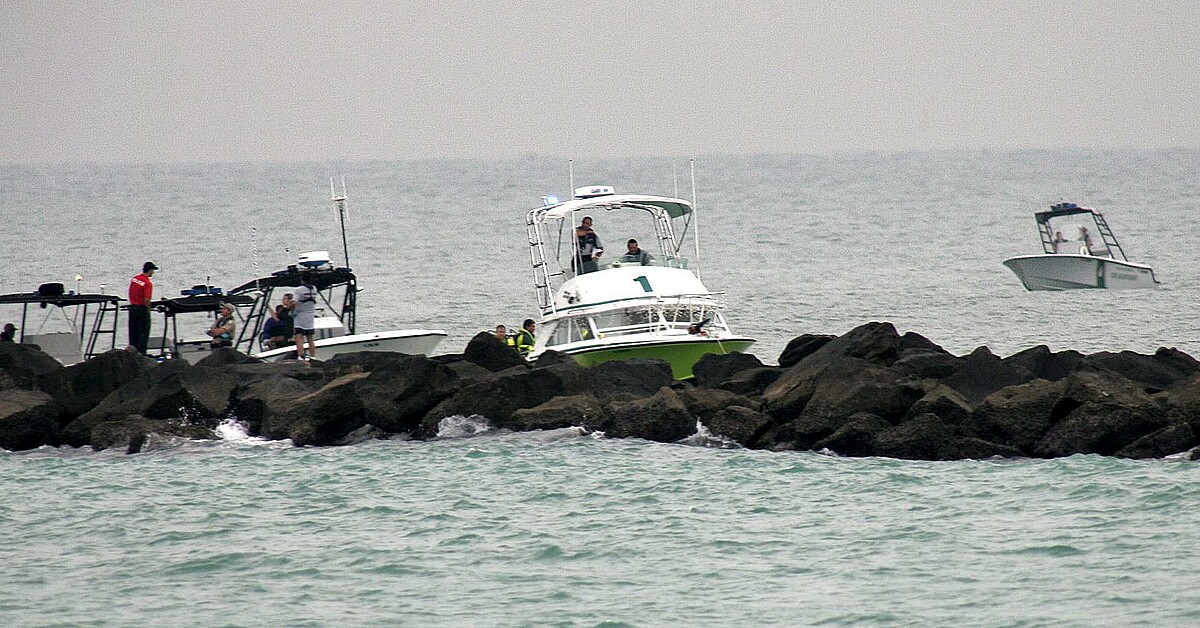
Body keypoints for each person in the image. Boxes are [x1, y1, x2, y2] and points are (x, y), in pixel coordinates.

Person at [128, 261, 157, 354]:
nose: (153, 273)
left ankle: (132, 353)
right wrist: (148, 310)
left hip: (132, 308)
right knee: (143, 334)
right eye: (153, 270)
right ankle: (141, 354)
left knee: (133, 333)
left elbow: (130, 292)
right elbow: (147, 299)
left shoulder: (134, 279)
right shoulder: (147, 283)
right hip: (141, 310)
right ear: (150, 270)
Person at [292, 273, 318, 360]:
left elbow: (295, 302)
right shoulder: (314, 289)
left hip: (300, 315)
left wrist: (291, 307)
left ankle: (301, 355)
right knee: (310, 337)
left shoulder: (298, 289)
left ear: (302, 279)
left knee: (299, 336)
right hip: (310, 314)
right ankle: (313, 356)